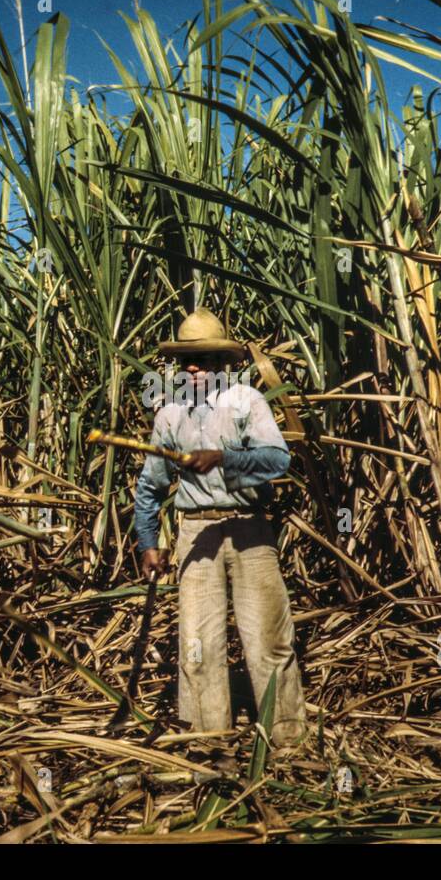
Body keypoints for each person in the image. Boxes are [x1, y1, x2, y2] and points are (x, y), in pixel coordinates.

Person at [132, 307, 308, 750]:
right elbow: (151, 485)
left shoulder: (246, 402)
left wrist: (224, 458)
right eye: (188, 362)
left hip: (249, 531)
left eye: (206, 361)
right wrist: (148, 542)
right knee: (198, 643)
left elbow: (278, 460)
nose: (195, 369)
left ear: (222, 365)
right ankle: (209, 740)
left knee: (268, 639)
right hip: (196, 533)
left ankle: (287, 740)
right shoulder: (169, 415)